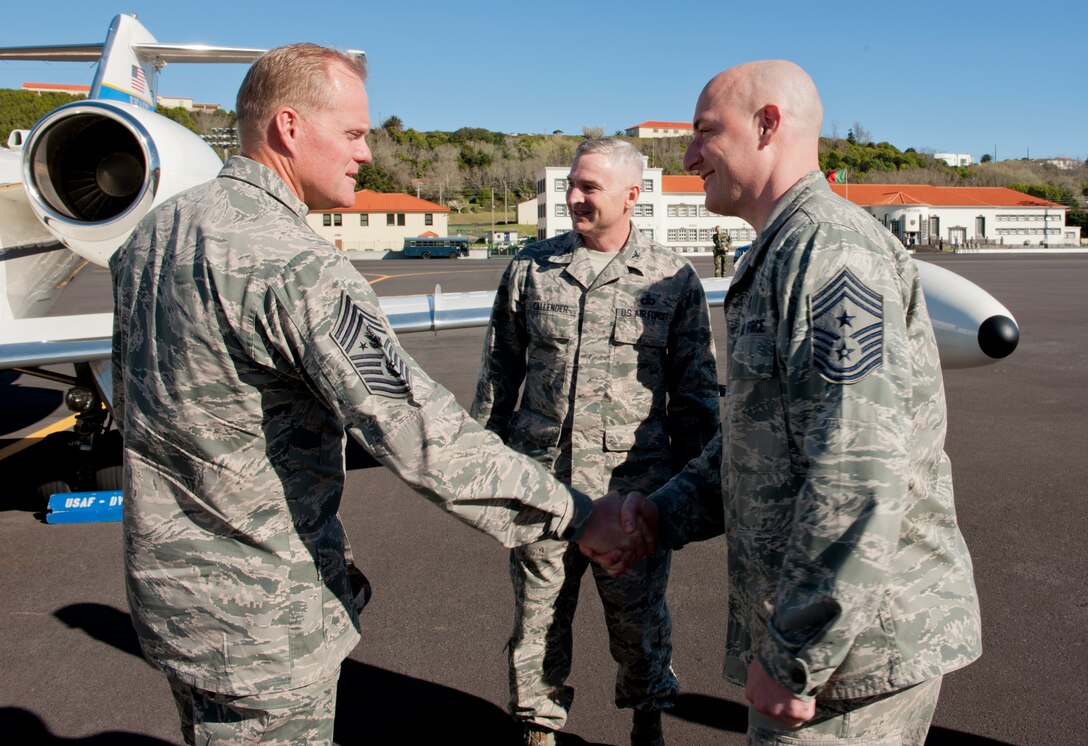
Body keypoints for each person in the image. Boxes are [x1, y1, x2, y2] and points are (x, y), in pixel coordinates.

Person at [110, 44, 646, 746]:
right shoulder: (293, 264)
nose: (366, 154)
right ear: (290, 128)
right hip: (262, 617)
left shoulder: (152, 234)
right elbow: (421, 434)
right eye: (356, 133)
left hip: (174, 597)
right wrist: (577, 514)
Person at [597, 60, 983, 745]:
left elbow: (857, 473)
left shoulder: (830, 252)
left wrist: (795, 656)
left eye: (704, 132)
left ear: (767, 124)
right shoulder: (780, 251)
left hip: (854, 658)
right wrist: (661, 511)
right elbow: (758, 445)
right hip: (829, 650)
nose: (689, 157)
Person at [470, 138, 721, 746]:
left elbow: (694, 396)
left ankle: (648, 722)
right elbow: (498, 379)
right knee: (537, 625)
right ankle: (537, 728)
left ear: (633, 196)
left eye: (590, 188)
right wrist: (483, 472)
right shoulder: (531, 268)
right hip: (543, 489)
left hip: (634, 496)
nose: (574, 198)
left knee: (639, 626)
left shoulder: (672, 277)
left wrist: (693, 502)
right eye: (572, 186)